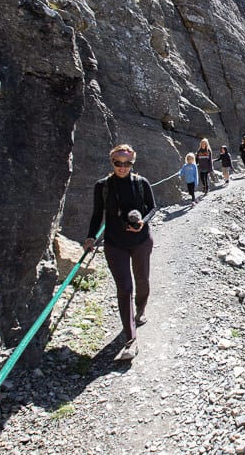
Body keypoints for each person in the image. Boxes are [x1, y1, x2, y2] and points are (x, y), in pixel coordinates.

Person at [83, 144, 155, 361]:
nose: (122, 167)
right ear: (111, 162)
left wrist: (143, 221)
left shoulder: (141, 183)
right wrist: (90, 236)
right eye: (118, 163)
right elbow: (97, 214)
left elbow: (152, 207)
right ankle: (130, 339)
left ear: (133, 163)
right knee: (124, 288)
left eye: (127, 163)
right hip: (114, 243)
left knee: (142, 279)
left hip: (141, 241)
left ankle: (140, 309)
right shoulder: (102, 186)